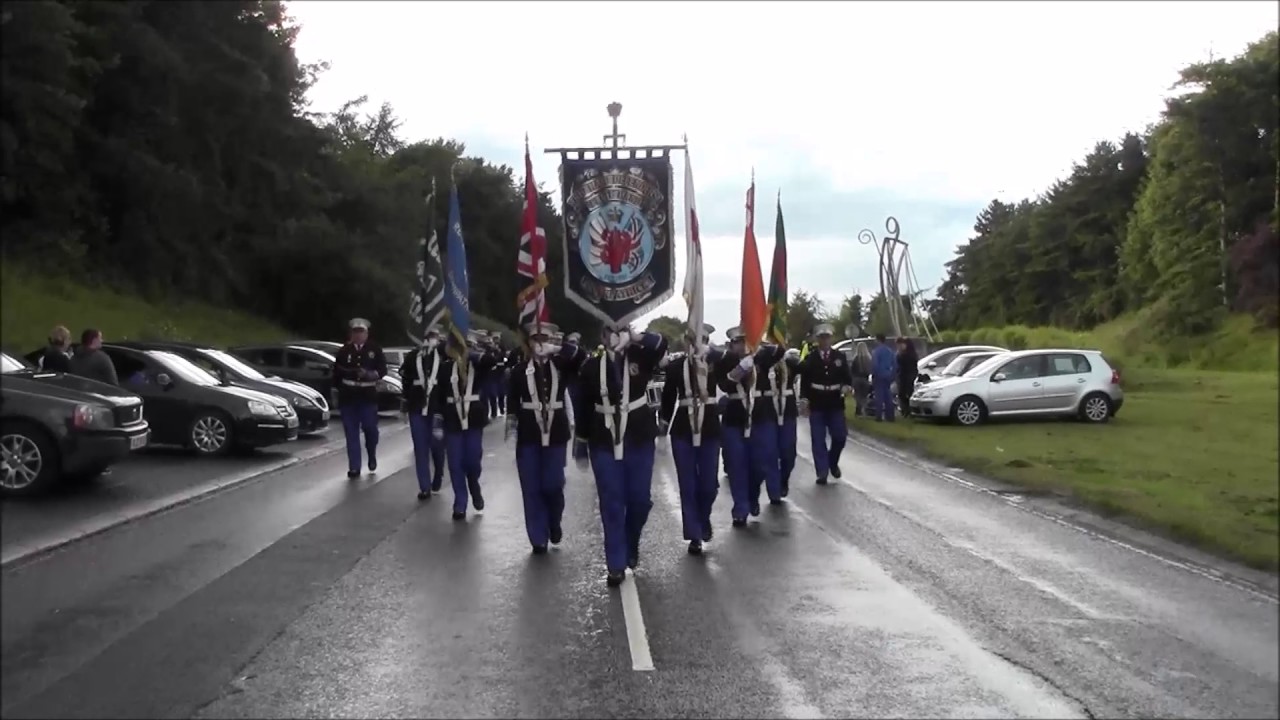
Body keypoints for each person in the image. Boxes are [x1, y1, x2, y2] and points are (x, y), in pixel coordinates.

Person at [572, 325, 668, 586]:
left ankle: (631, 540)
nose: (614, 335)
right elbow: (582, 406)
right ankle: (615, 564)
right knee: (611, 501)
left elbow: (661, 343)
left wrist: (635, 338)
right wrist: (580, 441)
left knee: (639, 500)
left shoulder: (640, 356)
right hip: (603, 440)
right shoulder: (591, 367)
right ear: (602, 336)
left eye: (620, 329)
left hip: (638, 438)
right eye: (609, 331)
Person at [505, 323, 587, 553]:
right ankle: (538, 538)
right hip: (529, 434)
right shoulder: (520, 370)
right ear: (529, 342)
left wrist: (556, 349)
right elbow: (512, 402)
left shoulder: (561, 365)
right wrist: (511, 430)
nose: (540, 343)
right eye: (536, 339)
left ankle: (554, 522)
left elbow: (581, 356)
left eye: (545, 339)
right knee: (531, 487)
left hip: (556, 432)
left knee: (553, 484)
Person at [659, 323, 722, 555]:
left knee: (708, 485)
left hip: (710, 428)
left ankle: (703, 518)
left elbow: (730, 361)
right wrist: (662, 431)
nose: (696, 345)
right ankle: (694, 533)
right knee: (687, 484)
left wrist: (711, 352)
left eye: (702, 340)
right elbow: (667, 399)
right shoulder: (676, 366)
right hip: (683, 430)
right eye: (693, 340)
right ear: (686, 342)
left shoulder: (715, 363)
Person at [715, 327, 785, 525]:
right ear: (731, 345)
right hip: (735, 418)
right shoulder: (725, 362)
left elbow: (779, 351)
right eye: (738, 342)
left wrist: (759, 348)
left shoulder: (761, 358)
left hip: (760, 417)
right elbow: (725, 385)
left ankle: (752, 495)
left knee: (760, 464)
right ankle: (740, 508)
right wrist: (741, 368)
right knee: (737, 466)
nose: (742, 346)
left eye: (745, 341)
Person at [430, 330, 500, 520]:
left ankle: (474, 485)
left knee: (472, 462)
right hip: (452, 420)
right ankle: (460, 502)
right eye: (458, 347)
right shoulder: (445, 368)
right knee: (454, 463)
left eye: (465, 346)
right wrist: (437, 419)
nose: (461, 350)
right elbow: (439, 395)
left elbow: (492, 361)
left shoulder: (477, 366)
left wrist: (471, 353)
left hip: (473, 419)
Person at [798, 323, 853, 484]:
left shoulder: (839, 357)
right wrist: (804, 400)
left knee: (840, 436)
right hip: (817, 402)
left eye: (827, 337)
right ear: (817, 339)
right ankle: (822, 471)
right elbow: (805, 382)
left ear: (831, 338)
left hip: (835, 401)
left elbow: (847, 378)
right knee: (818, 438)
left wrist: (846, 386)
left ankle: (832, 462)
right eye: (821, 337)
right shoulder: (811, 358)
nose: (825, 341)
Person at [333, 318, 387, 479]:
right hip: (348, 397)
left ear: (366, 333)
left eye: (361, 332)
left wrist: (370, 374)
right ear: (351, 334)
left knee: (371, 430)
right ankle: (354, 467)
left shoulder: (374, 349)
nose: (358, 335)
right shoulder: (344, 351)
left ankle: (371, 454)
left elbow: (382, 370)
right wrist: (336, 391)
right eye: (355, 332)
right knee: (351, 433)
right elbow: (336, 374)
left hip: (367, 397)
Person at [400, 325, 447, 500]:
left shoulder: (443, 356)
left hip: (437, 408)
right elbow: (405, 380)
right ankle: (424, 487)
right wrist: (405, 402)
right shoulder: (413, 356)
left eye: (433, 335)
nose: (430, 339)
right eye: (427, 335)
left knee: (437, 445)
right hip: (417, 406)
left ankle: (439, 473)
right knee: (420, 448)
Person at [774, 347, 803, 497]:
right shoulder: (765, 362)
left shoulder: (790, 365)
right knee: (768, 453)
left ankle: (783, 479)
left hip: (788, 412)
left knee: (788, 452)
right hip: (768, 411)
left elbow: (802, 367)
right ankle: (773, 487)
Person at [870, 333, 899, 422]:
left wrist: (874, 374)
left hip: (879, 376)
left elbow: (875, 365)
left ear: (878, 340)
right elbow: (895, 364)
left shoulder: (876, 352)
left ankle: (878, 416)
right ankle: (890, 416)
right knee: (888, 396)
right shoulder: (890, 351)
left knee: (879, 396)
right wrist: (892, 375)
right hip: (888, 375)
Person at [896, 337, 919, 418]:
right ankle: (905, 410)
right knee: (901, 394)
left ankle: (909, 411)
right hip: (902, 376)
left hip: (909, 376)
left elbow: (907, 365)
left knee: (909, 393)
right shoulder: (901, 354)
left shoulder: (909, 355)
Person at [852, 342, 874, 417]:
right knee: (864, 396)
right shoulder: (868, 359)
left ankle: (858, 410)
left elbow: (852, 370)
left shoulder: (855, 359)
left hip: (857, 379)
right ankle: (863, 410)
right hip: (865, 379)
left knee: (857, 395)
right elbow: (871, 370)